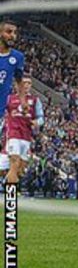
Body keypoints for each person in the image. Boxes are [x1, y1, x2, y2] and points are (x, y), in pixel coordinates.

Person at [4, 76, 43, 184]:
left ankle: (8, 183)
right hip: (13, 134)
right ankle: (10, 194)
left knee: (20, 169)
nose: (26, 85)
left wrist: (37, 122)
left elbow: (41, 118)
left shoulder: (35, 100)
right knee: (14, 162)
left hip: (26, 136)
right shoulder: (9, 98)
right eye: (24, 82)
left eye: (29, 83)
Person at [0, 20, 26, 179]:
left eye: (15, 33)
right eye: (9, 32)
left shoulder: (17, 57)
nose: (13, 36)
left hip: (0, 113)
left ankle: (12, 193)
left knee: (15, 165)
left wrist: (22, 100)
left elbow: (19, 80)